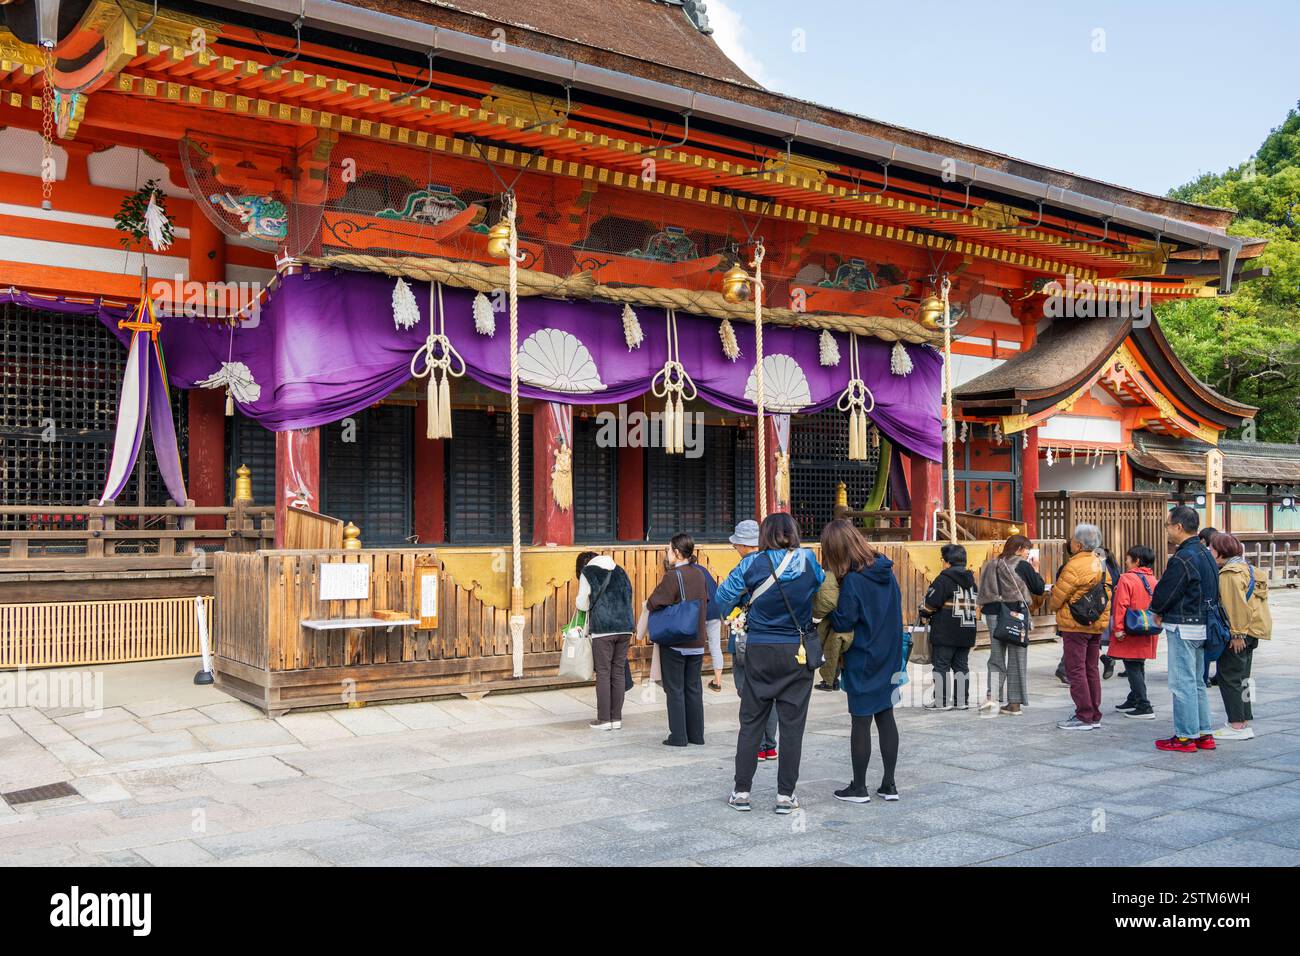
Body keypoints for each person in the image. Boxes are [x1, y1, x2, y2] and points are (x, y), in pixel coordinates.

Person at [716, 512, 825, 814]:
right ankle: (785, 796)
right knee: (792, 726)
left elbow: (722, 597)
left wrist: (742, 608)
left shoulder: (751, 563)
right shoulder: (807, 560)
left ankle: (741, 791)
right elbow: (822, 588)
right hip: (796, 647)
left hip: (760, 647)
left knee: (751, 721)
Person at [823, 518, 904, 803]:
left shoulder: (855, 580)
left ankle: (859, 787)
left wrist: (827, 613)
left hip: (864, 657)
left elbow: (845, 619)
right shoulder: (886, 570)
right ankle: (889, 784)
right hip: (890, 654)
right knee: (886, 715)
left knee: (861, 722)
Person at [1148, 506, 1220, 753]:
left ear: (1178, 527)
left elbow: (1167, 590)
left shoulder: (1182, 557)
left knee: (1182, 683)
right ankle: (1203, 732)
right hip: (1203, 623)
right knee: (1197, 681)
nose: (1167, 529)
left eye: (1168, 525)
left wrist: (1156, 610)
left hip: (1184, 623)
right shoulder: (1206, 553)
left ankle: (1185, 736)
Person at [644, 532, 711, 748]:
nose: (666, 553)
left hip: (676, 641)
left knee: (675, 689)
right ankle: (696, 735)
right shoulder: (699, 573)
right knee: (693, 688)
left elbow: (654, 602)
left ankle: (679, 736)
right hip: (697, 640)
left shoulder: (673, 576)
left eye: (668, 549)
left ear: (676, 552)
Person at [1048, 523, 1110, 731]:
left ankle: (1083, 714)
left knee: (1076, 669)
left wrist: (1054, 602)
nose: (1071, 543)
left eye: (1073, 540)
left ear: (1079, 544)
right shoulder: (1101, 563)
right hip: (1096, 622)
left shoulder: (1074, 565)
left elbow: (1057, 598)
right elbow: (1108, 592)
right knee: (1091, 668)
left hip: (1075, 623)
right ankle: (1094, 713)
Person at [1210, 532, 1272, 741]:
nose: (1210, 552)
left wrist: (1237, 633)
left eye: (1211, 549)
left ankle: (1236, 724)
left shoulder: (1230, 573)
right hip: (1253, 630)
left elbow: (1235, 605)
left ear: (1220, 552)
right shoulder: (1250, 570)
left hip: (1239, 633)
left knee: (1230, 677)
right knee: (1244, 677)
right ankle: (1244, 719)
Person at [726, 520, 779, 762]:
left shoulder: (742, 569)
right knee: (770, 692)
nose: (735, 547)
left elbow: (725, 602)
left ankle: (757, 745)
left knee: (748, 692)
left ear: (744, 545)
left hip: (745, 636)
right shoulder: (776, 565)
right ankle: (770, 745)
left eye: (737, 544)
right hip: (772, 636)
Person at [977, 534, 1040, 716]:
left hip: (992, 615)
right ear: (1019, 548)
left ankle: (992, 699)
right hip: (1015, 615)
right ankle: (1014, 704)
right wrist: (1035, 570)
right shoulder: (1023, 565)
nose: (1027, 552)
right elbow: (1037, 587)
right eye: (1026, 548)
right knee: (1017, 657)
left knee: (996, 657)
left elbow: (983, 590)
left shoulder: (990, 565)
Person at [574, 551, 636, 730]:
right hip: (625, 628)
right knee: (617, 672)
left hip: (603, 630)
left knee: (603, 673)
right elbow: (628, 596)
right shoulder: (621, 571)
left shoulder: (588, 573)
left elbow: (582, 604)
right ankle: (616, 718)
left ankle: (604, 720)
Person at [918, 543, 978, 710]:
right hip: (967, 631)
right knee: (961, 666)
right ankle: (961, 701)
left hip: (946, 631)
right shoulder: (972, 582)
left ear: (946, 561)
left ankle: (942, 701)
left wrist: (923, 613)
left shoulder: (943, 580)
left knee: (942, 665)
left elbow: (929, 605)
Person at [1109, 545, 1160, 720]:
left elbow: (1120, 605)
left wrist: (1118, 629)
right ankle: (1133, 699)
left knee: (1132, 666)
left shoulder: (1127, 579)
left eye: (1128, 558)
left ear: (1136, 561)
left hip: (1131, 629)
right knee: (1138, 664)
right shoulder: (1153, 580)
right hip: (1147, 629)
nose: (1125, 561)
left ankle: (1143, 704)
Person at [814, 563, 854, 693]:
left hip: (834, 618)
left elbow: (823, 602)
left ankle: (830, 682)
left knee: (831, 649)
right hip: (843, 615)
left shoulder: (827, 575)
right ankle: (833, 680)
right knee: (834, 650)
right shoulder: (850, 574)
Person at [1198, 526, 1220, 687]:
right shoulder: (1222, 555)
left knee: (1206, 644)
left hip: (1207, 606)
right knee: (1219, 640)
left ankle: (1203, 677)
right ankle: (1218, 675)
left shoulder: (1203, 554)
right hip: (1219, 606)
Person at [1097, 548, 1121, 680]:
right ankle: (1130, 666)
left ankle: (1106, 659)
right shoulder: (1115, 567)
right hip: (1112, 609)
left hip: (1100, 608)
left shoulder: (1101, 568)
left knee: (1094, 640)